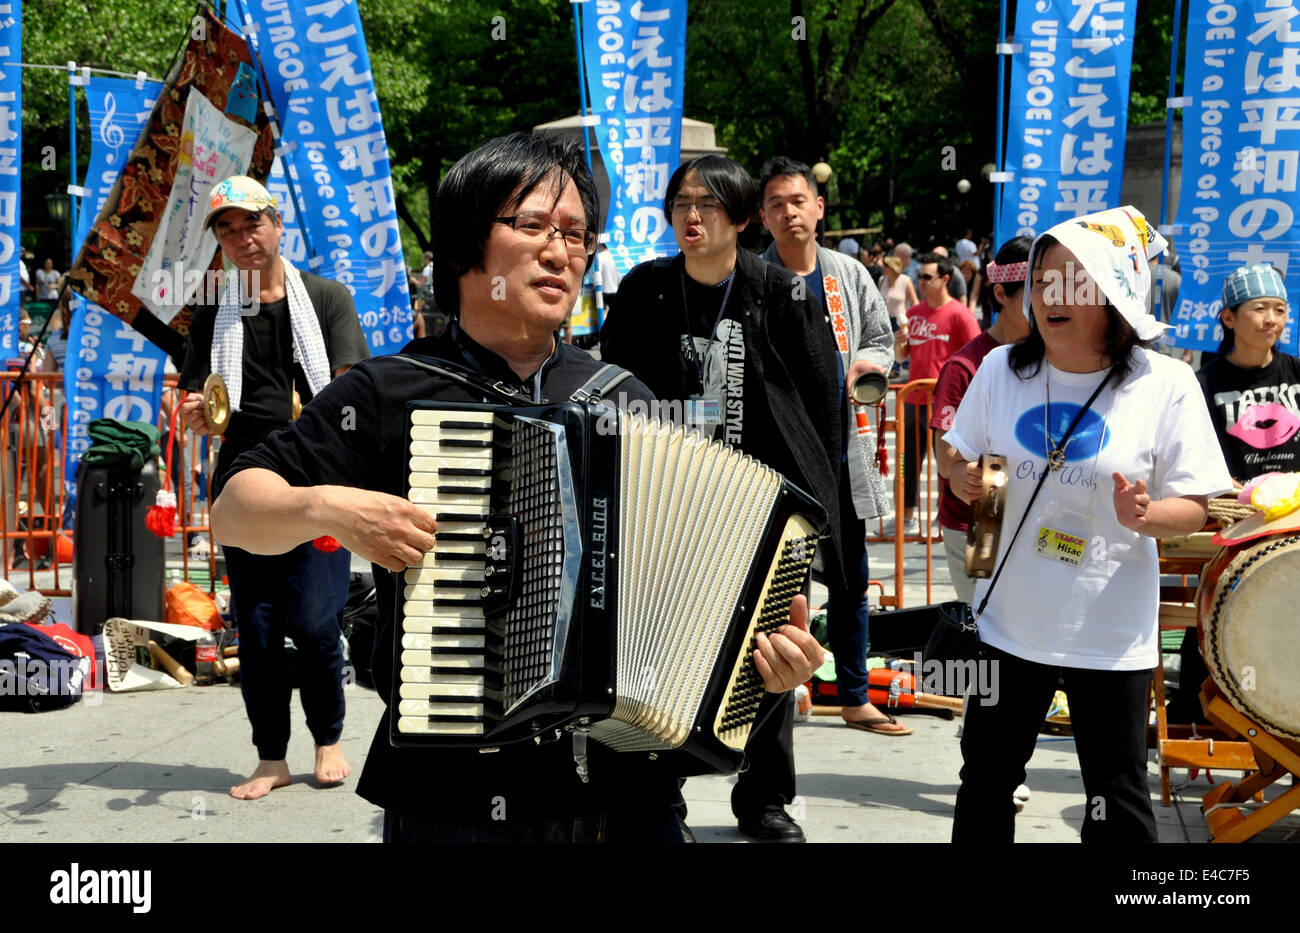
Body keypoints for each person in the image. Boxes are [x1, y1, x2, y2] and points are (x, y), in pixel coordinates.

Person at [211, 134, 824, 843]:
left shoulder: (624, 397)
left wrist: (763, 672)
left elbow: (696, 612)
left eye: (576, 234)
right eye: (533, 226)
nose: (561, 251)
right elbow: (233, 509)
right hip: (454, 800)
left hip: (626, 798)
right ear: (467, 242)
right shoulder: (392, 389)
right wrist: (324, 505)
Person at [943, 206, 1233, 842]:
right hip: (1006, 623)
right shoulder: (1000, 369)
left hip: (1109, 632)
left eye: (1074, 281)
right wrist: (961, 473)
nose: (1051, 297)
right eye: (1043, 281)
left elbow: (1197, 504)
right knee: (987, 776)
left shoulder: (1168, 383)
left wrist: (1151, 514)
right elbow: (956, 448)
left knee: (1117, 792)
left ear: (1117, 294)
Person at [601, 153, 844, 842]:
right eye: (681, 202)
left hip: (763, 511)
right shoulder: (644, 288)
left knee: (769, 654)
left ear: (741, 217)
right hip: (667, 507)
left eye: (709, 204)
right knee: (657, 654)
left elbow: (823, 407)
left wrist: (818, 514)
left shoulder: (780, 292)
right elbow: (609, 392)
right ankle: (652, 790)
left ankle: (764, 797)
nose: (692, 215)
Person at [178, 175, 370, 801]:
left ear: (277, 221)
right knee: (256, 626)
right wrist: (192, 413)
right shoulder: (212, 307)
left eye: (251, 223)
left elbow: (349, 393)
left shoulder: (325, 297)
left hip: (315, 470)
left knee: (315, 619)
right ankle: (271, 757)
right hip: (243, 473)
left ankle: (328, 737)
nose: (242, 238)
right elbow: (201, 395)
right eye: (227, 230)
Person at [758, 156, 909, 746]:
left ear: (818, 208)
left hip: (843, 454)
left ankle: (851, 694)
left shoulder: (848, 273)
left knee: (850, 583)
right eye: (776, 204)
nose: (789, 212)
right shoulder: (752, 280)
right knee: (779, 584)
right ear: (762, 217)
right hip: (778, 463)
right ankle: (781, 688)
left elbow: (879, 338)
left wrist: (870, 368)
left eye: (798, 201)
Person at [931, 236, 1032, 606]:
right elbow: (947, 460)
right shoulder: (966, 366)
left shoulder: (1059, 359)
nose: (1047, 304)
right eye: (1034, 293)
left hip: (1037, 522)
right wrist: (966, 474)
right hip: (980, 522)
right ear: (1002, 294)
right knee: (986, 629)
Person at [889, 251, 980, 535]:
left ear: (945, 279)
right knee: (907, 464)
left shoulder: (960, 315)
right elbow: (902, 356)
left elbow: (979, 359)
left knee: (948, 465)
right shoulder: (914, 315)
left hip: (947, 409)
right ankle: (906, 516)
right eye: (919, 277)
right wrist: (899, 344)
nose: (921, 282)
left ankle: (945, 519)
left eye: (927, 277)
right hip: (913, 400)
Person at [1196, 262, 1300, 483]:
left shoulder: (1296, 372)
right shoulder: (1203, 384)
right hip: (1235, 512)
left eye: (1279, 310)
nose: (1271, 319)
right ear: (1228, 318)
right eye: (1260, 308)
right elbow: (1198, 455)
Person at [880, 255, 918, 330]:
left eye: (886, 265)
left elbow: (914, 301)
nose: (883, 267)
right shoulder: (882, 280)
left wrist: (912, 319)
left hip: (900, 322)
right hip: (884, 320)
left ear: (893, 267)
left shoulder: (905, 280)